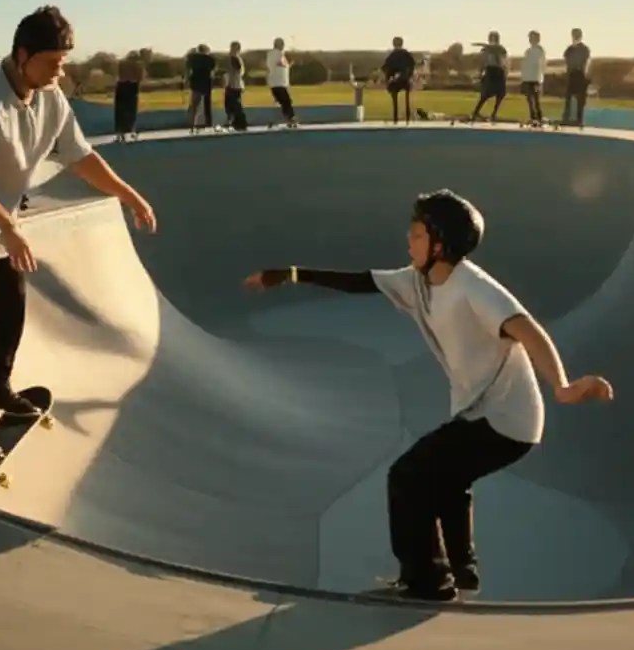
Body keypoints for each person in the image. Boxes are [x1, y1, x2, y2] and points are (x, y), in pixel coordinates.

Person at [242, 189, 614, 601]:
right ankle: (462, 572)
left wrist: (562, 386)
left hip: (507, 421)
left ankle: (427, 583)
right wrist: (289, 273)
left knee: (408, 477)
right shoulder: (416, 280)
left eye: (417, 235)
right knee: (446, 481)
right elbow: (359, 281)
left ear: (439, 245)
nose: (408, 241)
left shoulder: (474, 288)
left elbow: (527, 330)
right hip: (483, 416)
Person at [0, 5, 158, 460]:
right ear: (21, 55)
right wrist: (7, 227)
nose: (60, 71)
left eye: (64, 62)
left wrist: (128, 195)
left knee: (11, 309)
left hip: (3, 225)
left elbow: (80, 156)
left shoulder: (51, 97)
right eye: (52, 62)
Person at [469, 31, 508, 123]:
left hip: (499, 71)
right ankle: (475, 112)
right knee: (486, 94)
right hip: (491, 71)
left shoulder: (500, 48)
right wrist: (480, 72)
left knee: (501, 94)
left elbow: (504, 60)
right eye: (491, 38)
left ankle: (494, 113)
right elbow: (483, 61)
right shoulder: (487, 49)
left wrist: (505, 71)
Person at [381, 37, 416, 125]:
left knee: (395, 99)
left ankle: (395, 119)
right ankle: (407, 119)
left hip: (395, 81)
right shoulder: (406, 54)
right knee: (407, 100)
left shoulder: (392, 55)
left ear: (393, 44)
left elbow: (386, 67)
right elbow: (412, 65)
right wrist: (409, 76)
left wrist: (389, 78)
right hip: (405, 79)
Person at [562, 28, 591, 127]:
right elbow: (566, 59)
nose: (575, 37)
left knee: (580, 99)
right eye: (574, 35)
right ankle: (566, 118)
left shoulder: (584, 48)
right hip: (572, 74)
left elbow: (586, 62)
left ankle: (579, 119)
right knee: (568, 97)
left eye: (577, 35)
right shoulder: (570, 49)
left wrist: (585, 73)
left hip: (580, 74)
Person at [115, 50, 146, 142]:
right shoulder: (138, 65)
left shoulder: (122, 63)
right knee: (131, 110)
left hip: (121, 86)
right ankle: (131, 130)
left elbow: (119, 74)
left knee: (120, 111)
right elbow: (140, 78)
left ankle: (120, 133)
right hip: (131, 87)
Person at [266, 37, 298, 128]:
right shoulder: (278, 53)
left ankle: (275, 121)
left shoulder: (273, 54)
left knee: (281, 103)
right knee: (286, 102)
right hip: (278, 83)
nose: (283, 46)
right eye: (282, 44)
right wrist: (288, 64)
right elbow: (280, 63)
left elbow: (279, 65)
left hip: (275, 83)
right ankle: (291, 120)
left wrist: (288, 64)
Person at [186, 44, 216, 132]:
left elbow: (188, 71)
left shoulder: (192, 59)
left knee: (194, 105)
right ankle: (208, 123)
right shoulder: (210, 59)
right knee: (207, 105)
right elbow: (212, 72)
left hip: (196, 83)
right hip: (206, 83)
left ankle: (191, 125)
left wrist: (187, 81)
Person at [520, 31, 547, 125]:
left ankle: (539, 117)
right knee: (529, 99)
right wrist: (523, 77)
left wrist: (541, 79)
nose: (531, 40)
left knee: (536, 99)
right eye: (530, 38)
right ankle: (532, 117)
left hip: (536, 78)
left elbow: (542, 65)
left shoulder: (540, 50)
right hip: (528, 78)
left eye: (533, 38)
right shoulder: (528, 51)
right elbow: (525, 65)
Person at [223, 41, 248, 132]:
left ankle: (240, 123)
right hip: (233, 84)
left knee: (234, 105)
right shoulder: (234, 58)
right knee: (230, 105)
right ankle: (234, 122)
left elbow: (236, 71)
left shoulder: (235, 59)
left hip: (234, 85)